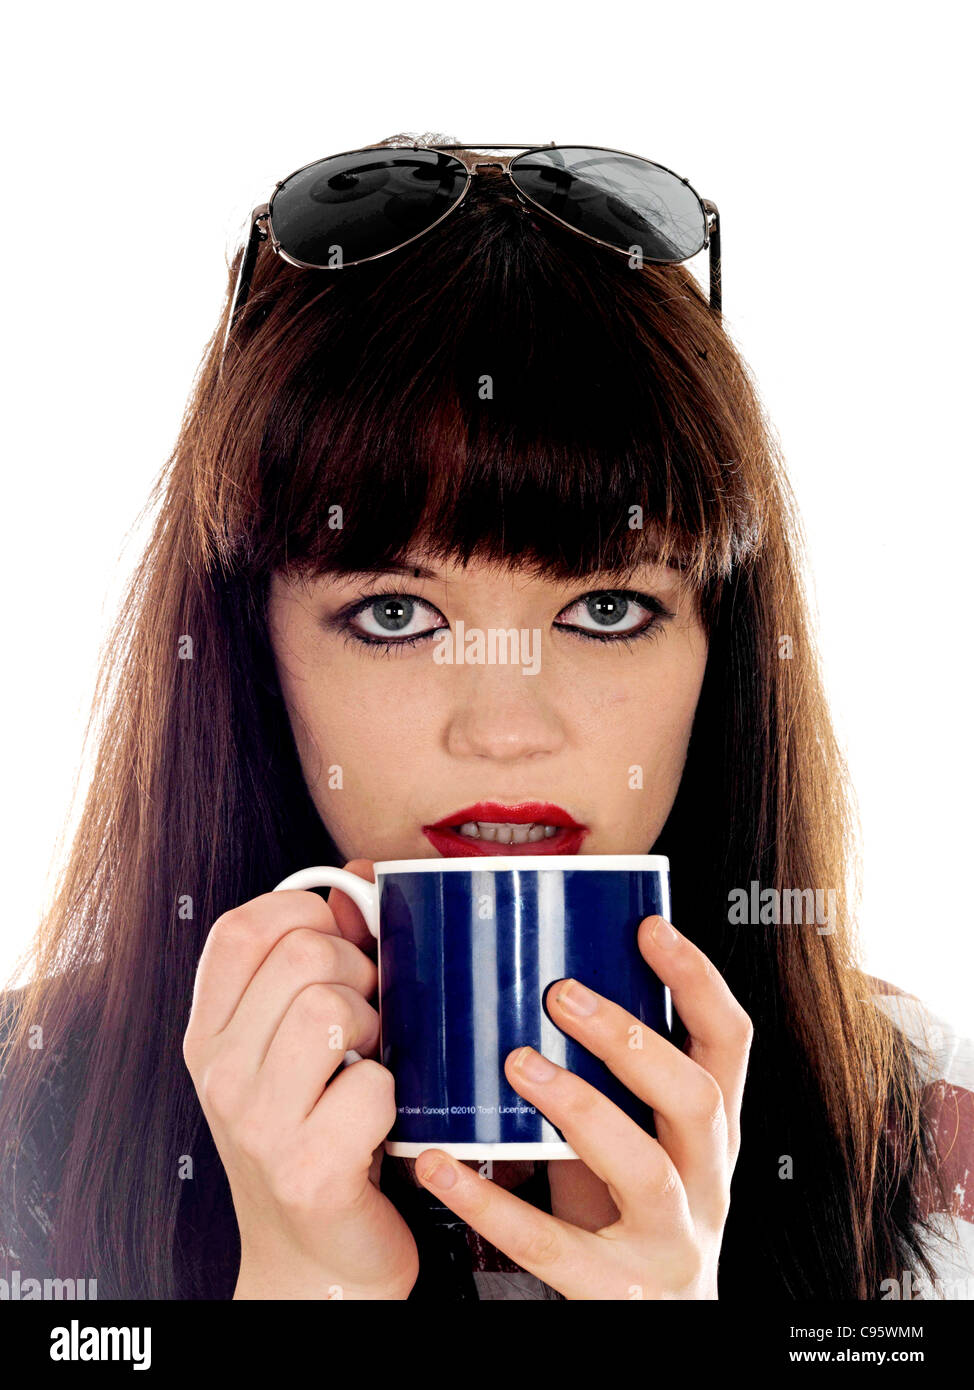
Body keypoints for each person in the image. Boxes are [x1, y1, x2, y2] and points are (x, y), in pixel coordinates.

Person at [1, 133, 970, 1301]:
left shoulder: (923, 1130)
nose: (505, 731)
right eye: (396, 612)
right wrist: (305, 1284)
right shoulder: (24, 1128)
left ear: (718, 651)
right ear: (255, 649)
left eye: (606, 607)